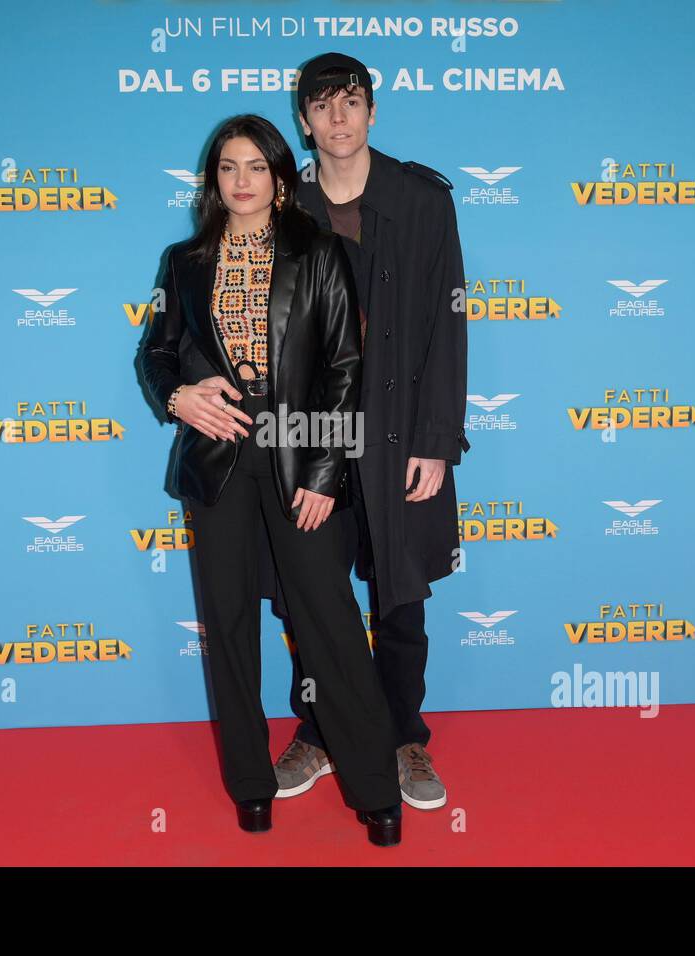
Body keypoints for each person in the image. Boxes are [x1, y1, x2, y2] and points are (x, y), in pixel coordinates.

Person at [136, 113, 405, 846]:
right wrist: (177, 397)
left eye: (256, 166)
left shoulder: (319, 252)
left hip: (297, 450)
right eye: (228, 167)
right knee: (227, 625)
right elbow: (154, 355)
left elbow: (344, 373)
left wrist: (323, 472)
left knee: (331, 623)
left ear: (282, 177)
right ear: (213, 179)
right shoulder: (184, 261)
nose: (242, 181)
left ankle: (377, 790)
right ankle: (251, 787)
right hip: (217, 458)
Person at [266, 53, 471, 811]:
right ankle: (320, 733)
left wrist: (436, 440)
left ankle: (403, 736)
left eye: (351, 102)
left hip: (401, 439)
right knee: (311, 596)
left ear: (373, 112)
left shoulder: (422, 201)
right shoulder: (281, 209)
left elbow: (448, 331)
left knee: (400, 598)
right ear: (304, 121)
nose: (339, 118)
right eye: (322, 106)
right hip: (309, 441)